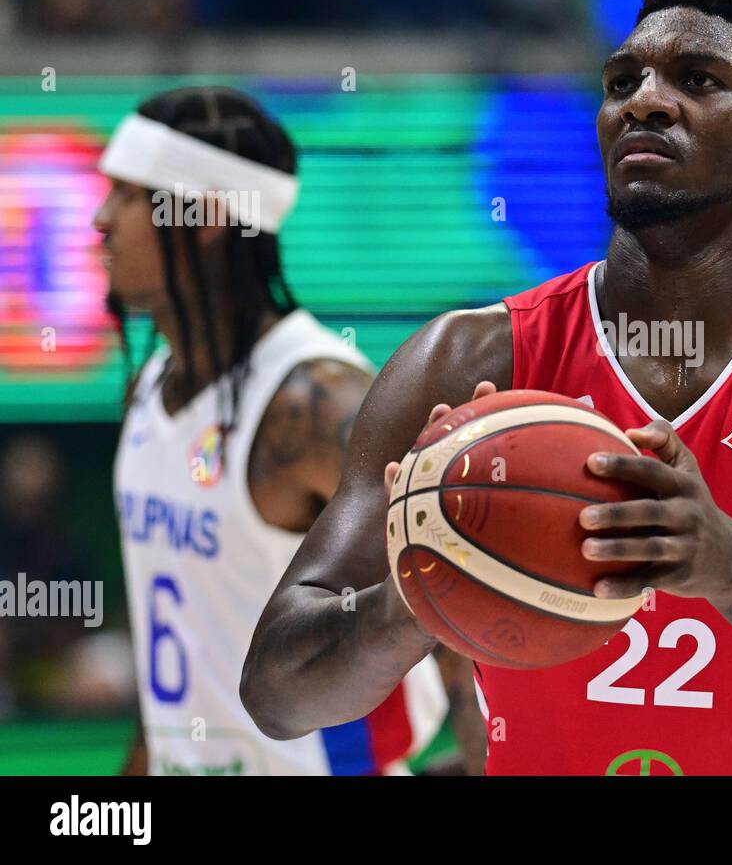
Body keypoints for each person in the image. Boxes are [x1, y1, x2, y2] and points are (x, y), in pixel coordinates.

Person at [243, 0, 732, 775]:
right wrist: (421, 591)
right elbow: (277, 694)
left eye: (697, 80)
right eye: (621, 82)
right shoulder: (467, 360)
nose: (643, 102)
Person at [96, 86, 467, 775]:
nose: (99, 220)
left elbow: (462, 600)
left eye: (125, 195)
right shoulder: (147, 392)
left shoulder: (320, 402)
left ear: (203, 215)